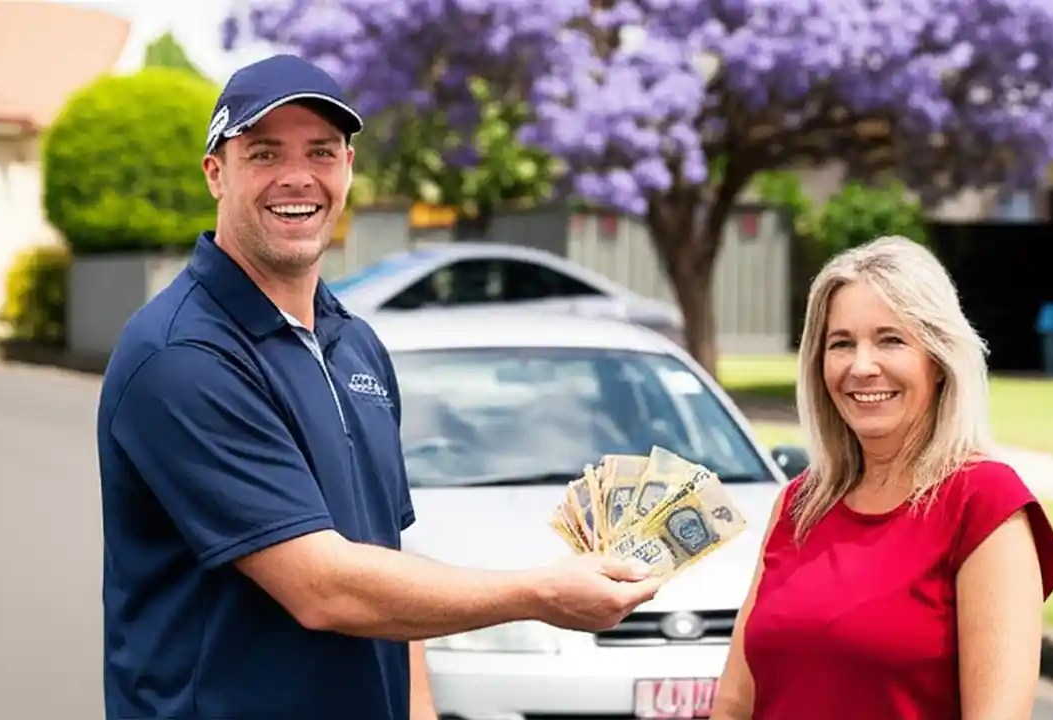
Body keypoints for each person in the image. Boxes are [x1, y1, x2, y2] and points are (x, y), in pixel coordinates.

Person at [95, 53, 664, 720]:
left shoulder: (353, 342)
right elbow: (324, 589)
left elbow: (387, 560)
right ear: (216, 173)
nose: (297, 177)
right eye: (264, 153)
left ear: (348, 171)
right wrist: (538, 593)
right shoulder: (183, 355)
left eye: (322, 152)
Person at [711, 236, 1053, 720]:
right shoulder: (799, 503)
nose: (861, 367)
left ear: (939, 361)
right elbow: (734, 705)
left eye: (890, 340)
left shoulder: (985, 504)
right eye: (841, 344)